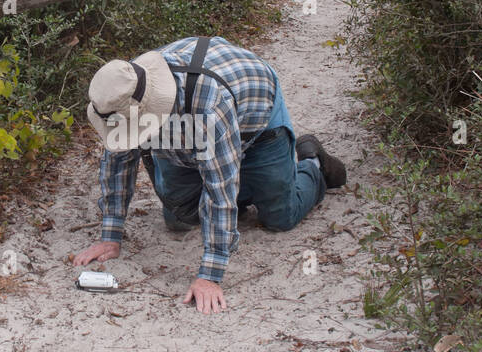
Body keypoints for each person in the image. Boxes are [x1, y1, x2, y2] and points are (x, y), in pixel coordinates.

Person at [71, 35, 346, 313]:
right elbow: (118, 161)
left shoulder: (209, 103)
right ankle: (243, 197)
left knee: (280, 216)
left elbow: (220, 184)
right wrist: (110, 234)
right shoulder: (121, 92)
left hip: (258, 125)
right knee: (180, 218)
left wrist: (209, 275)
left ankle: (312, 162)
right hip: (190, 137)